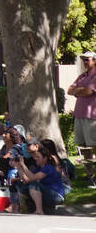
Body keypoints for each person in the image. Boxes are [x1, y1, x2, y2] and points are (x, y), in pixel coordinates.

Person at [13, 141, 67, 214]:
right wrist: (19, 167)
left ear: (45, 158)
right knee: (21, 185)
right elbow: (26, 180)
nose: (35, 158)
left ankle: (39, 210)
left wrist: (23, 165)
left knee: (34, 185)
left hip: (56, 196)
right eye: (35, 156)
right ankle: (24, 209)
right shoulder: (38, 168)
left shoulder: (48, 168)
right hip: (47, 194)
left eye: (38, 157)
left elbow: (32, 177)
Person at [67, 51, 96, 179]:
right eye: (83, 59)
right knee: (83, 145)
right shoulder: (82, 76)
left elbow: (89, 91)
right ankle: (90, 174)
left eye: (87, 59)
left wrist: (77, 91)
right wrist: (79, 91)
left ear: (94, 60)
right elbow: (69, 90)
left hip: (91, 116)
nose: (85, 62)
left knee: (93, 145)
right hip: (79, 115)